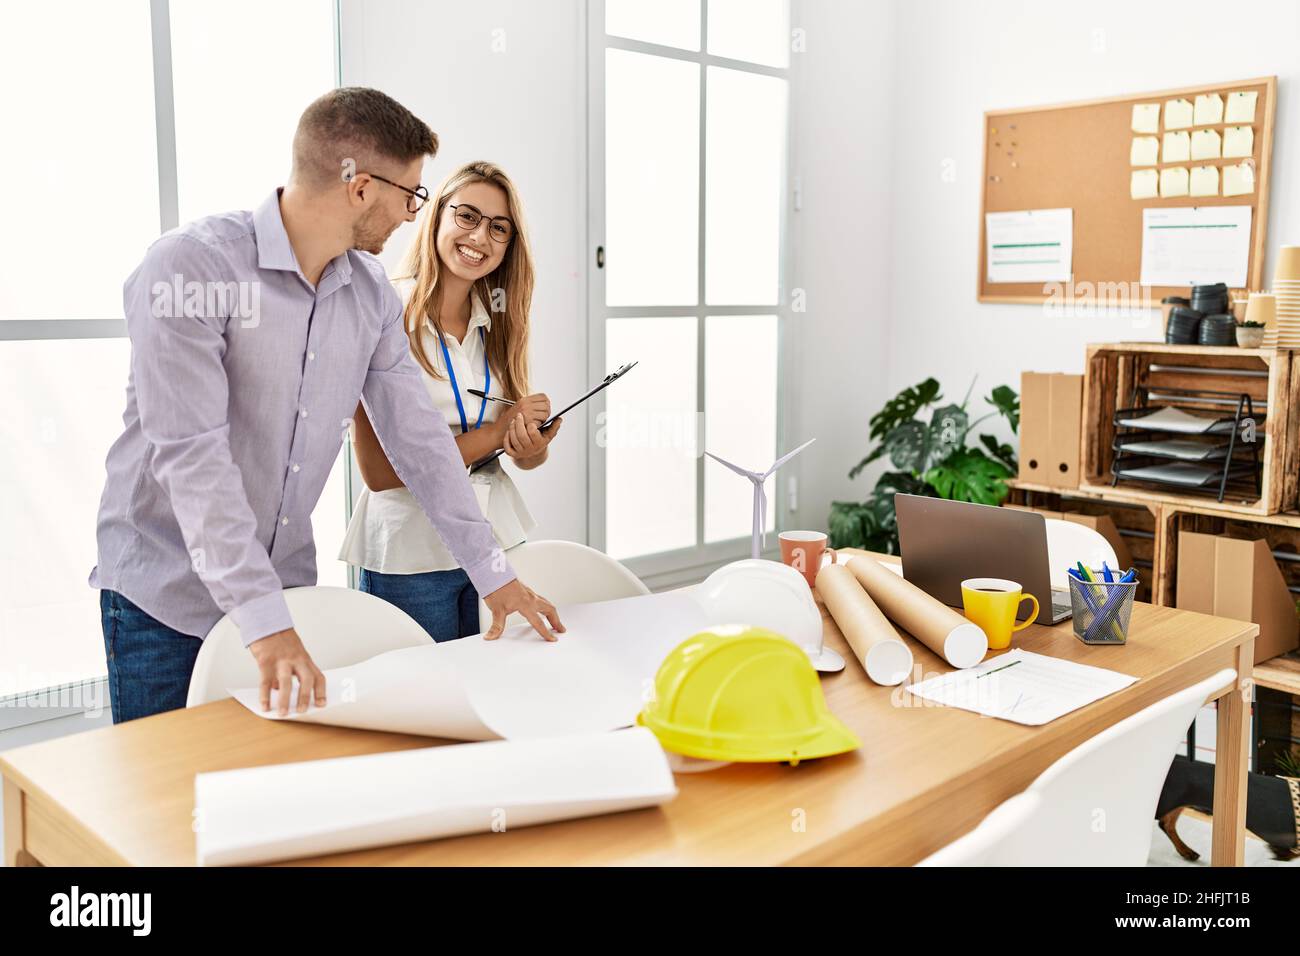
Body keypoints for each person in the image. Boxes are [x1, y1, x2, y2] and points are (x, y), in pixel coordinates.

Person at [90, 88, 564, 725]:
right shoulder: (191, 269)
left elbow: (419, 442)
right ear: (361, 187)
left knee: (271, 796)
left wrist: (493, 574)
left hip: (286, 594)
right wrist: (264, 624)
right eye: (412, 196)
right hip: (164, 596)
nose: (410, 216)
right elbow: (193, 458)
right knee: (165, 808)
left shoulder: (368, 295)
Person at [342, 161, 561, 641]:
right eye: (467, 217)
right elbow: (380, 474)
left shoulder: (499, 321)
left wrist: (530, 443)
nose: (480, 237)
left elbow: (520, 458)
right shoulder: (385, 312)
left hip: (497, 540)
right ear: (436, 216)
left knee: (498, 689)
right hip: (412, 555)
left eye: (498, 228)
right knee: (425, 700)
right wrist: (494, 434)